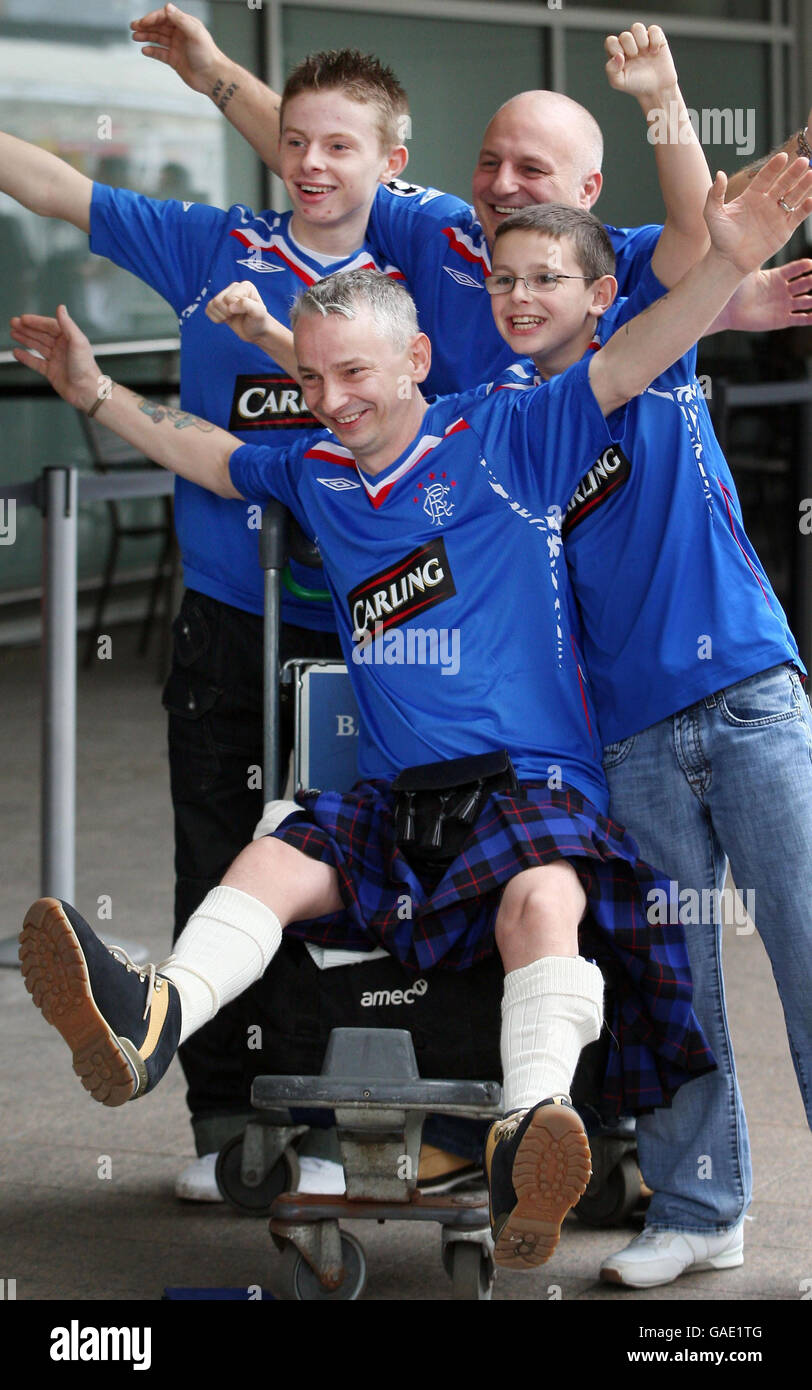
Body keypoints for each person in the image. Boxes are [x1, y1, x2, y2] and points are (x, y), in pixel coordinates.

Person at [15, 152, 812, 1272]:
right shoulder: (317, 474)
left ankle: (527, 1132)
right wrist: (95, 392)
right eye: (313, 382)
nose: (330, 403)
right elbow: (206, 451)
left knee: (541, 897)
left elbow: (629, 359)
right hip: (397, 799)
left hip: (528, 789)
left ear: (418, 361)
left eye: (351, 378)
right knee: (272, 857)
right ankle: (151, 1019)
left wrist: (723, 262)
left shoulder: (509, 436)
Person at [0, 48, 415, 1188]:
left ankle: (338, 1121)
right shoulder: (213, 245)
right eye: (298, 143)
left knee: (345, 869)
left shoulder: (418, 254)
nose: (314, 164)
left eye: (340, 145)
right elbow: (51, 186)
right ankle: (232, 1125)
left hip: (376, 626)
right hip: (231, 614)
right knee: (216, 852)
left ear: (388, 155)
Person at [468, 188, 812, 1286]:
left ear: (600, 293)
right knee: (669, 983)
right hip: (627, 739)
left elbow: (693, 266)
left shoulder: (648, 349)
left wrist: (667, 107)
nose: (522, 296)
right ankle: (701, 1204)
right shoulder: (504, 422)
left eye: (546, 277)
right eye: (503, 278)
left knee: (805, 949)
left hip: (744, 695)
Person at [132, 5, 812, 389]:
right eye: (490, 163)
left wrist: (723, 280)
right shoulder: (439, 229)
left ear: (587, 192)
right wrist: (213, 74)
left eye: (532, 169)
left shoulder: (611, 259)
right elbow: (330, 153)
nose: (503, 184)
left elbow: (701, 225)